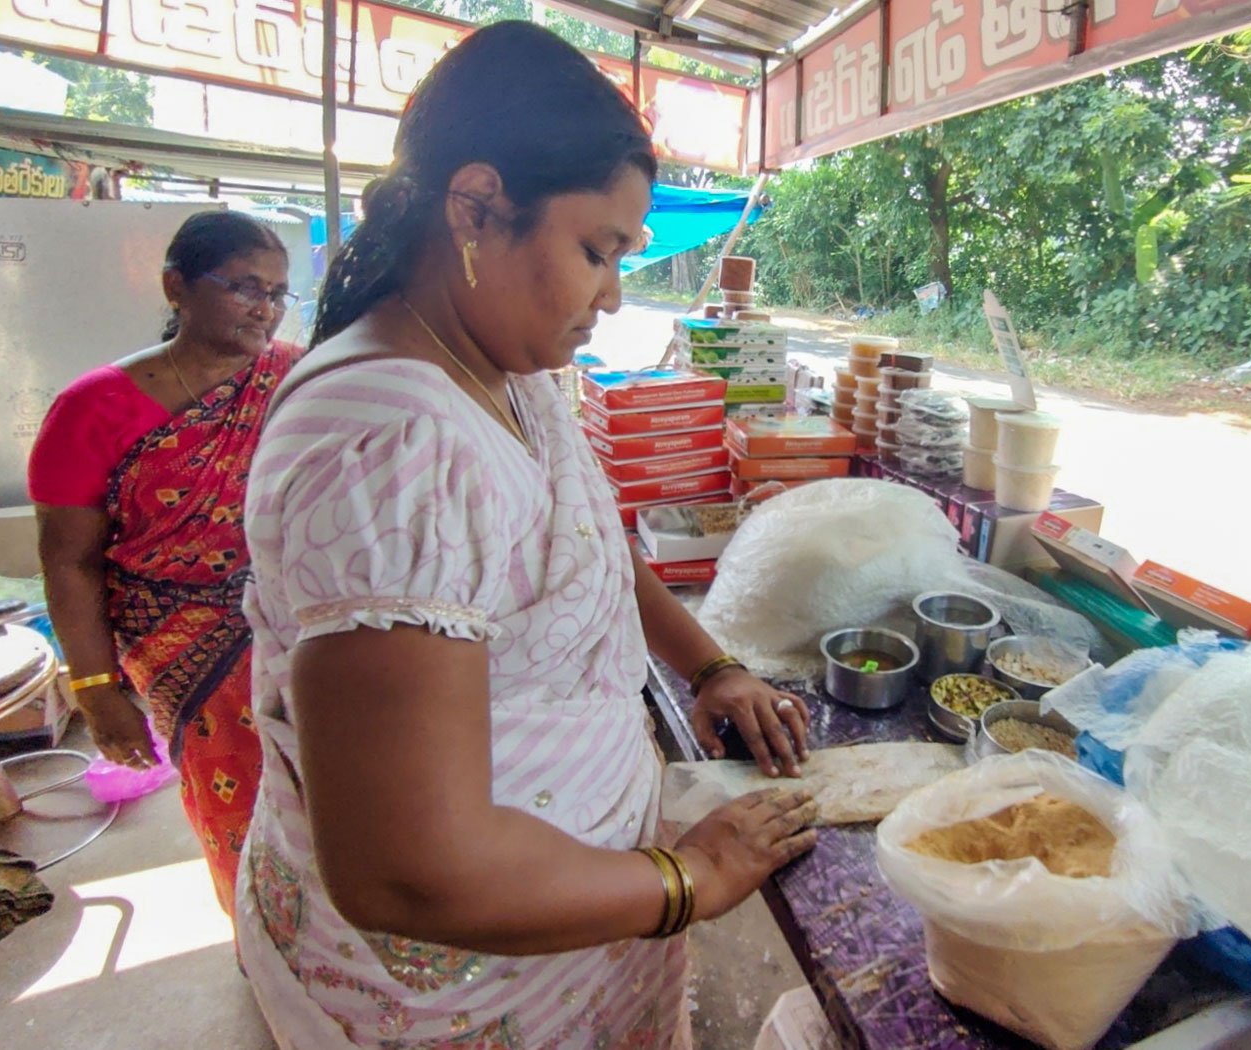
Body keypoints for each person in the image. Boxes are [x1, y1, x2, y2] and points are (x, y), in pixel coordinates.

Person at [237, 21, 816, 1050]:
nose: (612, 293)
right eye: (595, 251)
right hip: (455, 1000)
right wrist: (693, 876)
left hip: (572, 942)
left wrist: (709, 664)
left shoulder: (507, 373)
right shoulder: (397, 443)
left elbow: (588, 540)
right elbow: (406, 868)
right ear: (473, 206)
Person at [28, 210, 299, 917]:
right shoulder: (92, 408)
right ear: (176, 285)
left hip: (296, 618)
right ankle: (260, 941)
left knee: (326, 792)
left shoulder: (296, 377)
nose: (265, 309)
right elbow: (69, 563)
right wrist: (95, 687)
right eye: (244, 286)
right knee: (234, 798)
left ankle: (331, 948)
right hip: (180, 640)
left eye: (277, 293)